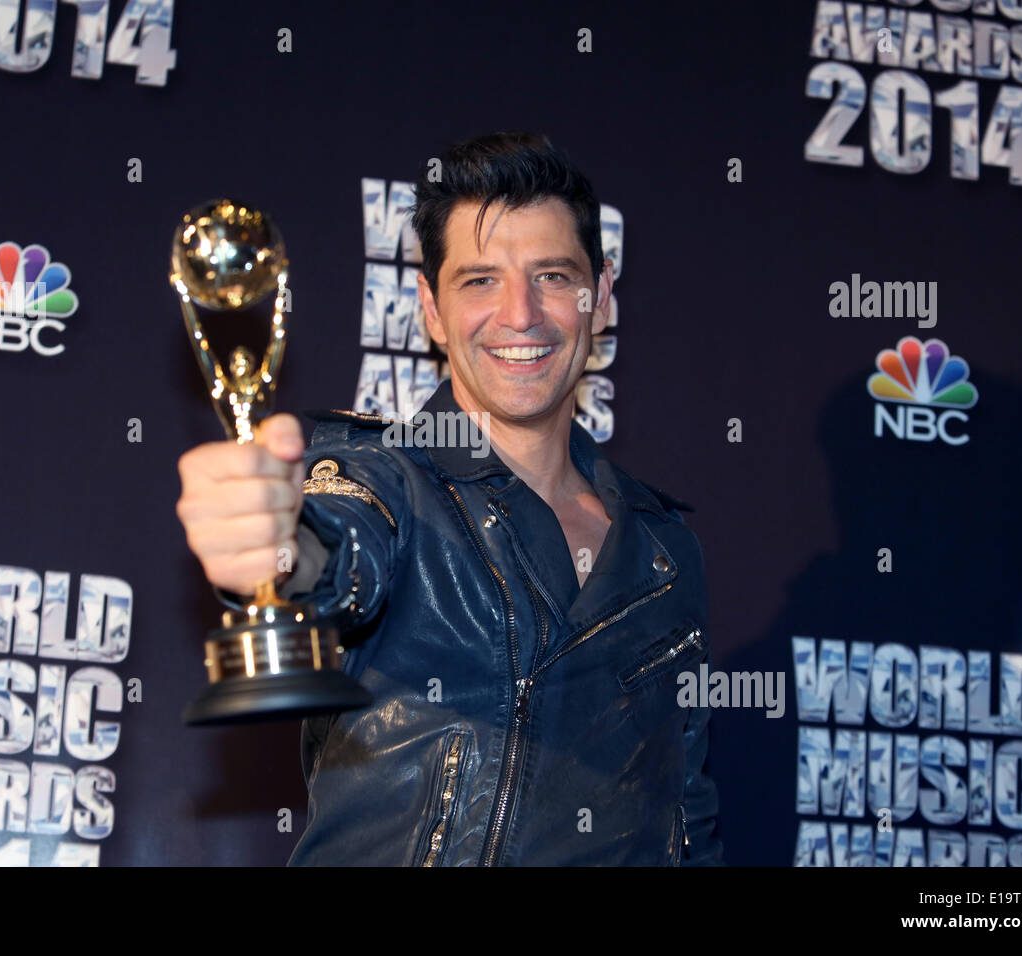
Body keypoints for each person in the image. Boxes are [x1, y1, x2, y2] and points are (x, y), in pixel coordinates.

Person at [175, 131, 724, 865]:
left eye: (554, 276)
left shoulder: (666, 548)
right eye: (480, 281)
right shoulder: (383, 477)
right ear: (431, 310)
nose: (521, 314)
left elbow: (690, 816)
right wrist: (270, 551)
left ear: (602, 296)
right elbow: (331, 551)